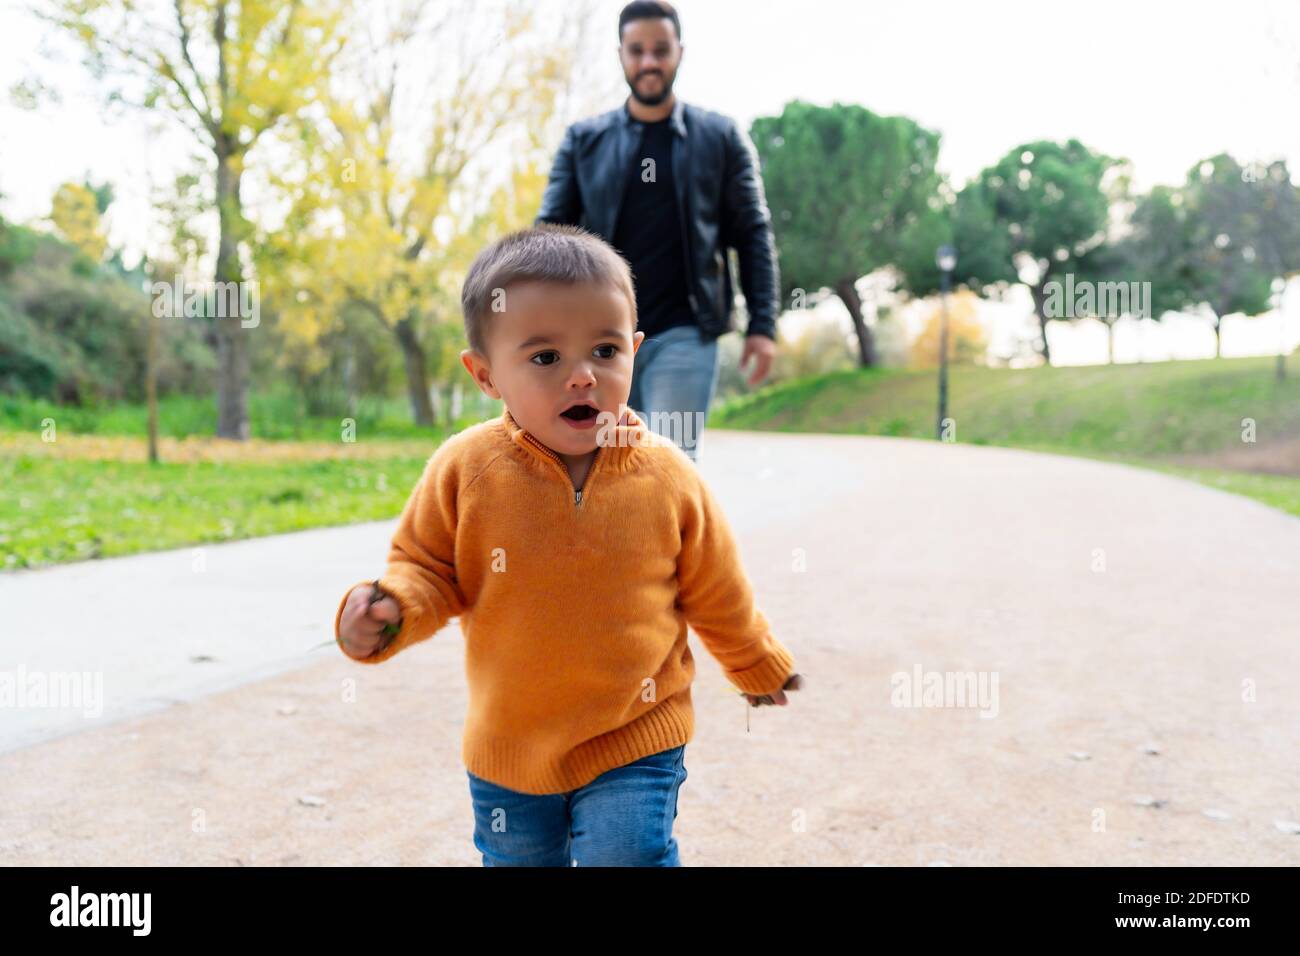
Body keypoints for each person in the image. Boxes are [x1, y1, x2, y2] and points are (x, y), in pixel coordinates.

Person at [334, 224, 802, 866]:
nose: (583, 377)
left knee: (627, 853)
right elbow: (426, 570)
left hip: (633, 733)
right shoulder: (466, 469)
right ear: (485, 374)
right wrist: (389, 613)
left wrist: (755, 662)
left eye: (606, 350)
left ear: (635, 351)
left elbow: (717, 590)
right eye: (546, 358)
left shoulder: (668, 478)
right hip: (509, 745)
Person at [535, 0, 781, 463]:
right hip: (596, 341)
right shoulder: (583, 141)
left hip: (683, 333)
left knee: (666, 468)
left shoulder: (721, 138)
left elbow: (752, 233)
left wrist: (763, 324)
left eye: (660, 50)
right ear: (622, 55)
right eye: (638, 50)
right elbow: (548, 236)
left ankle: (670, 537)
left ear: (679, 53)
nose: (649, 61)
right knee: (600, 469)